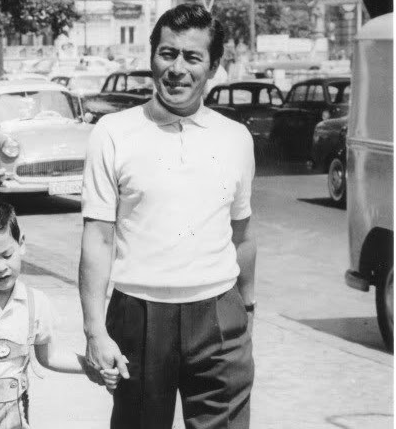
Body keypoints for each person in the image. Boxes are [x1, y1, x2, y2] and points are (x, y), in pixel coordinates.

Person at [79, 4, 256, 429]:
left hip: (218, 315)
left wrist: (247, 313)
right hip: (139, 315)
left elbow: (243, 234)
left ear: (213, 66)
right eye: (167, 53)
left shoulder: (235, 138)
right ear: (151, 56)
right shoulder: (113, 132)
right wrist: (94, 331)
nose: (177, 69)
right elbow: (98, 238)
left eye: (192, 57)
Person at [0, 199, 118, 429]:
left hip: (12, 416)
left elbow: (49, 357)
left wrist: (95, 369)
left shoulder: (35, 303)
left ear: (21, 244)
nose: (0, 267)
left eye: (7, 255)